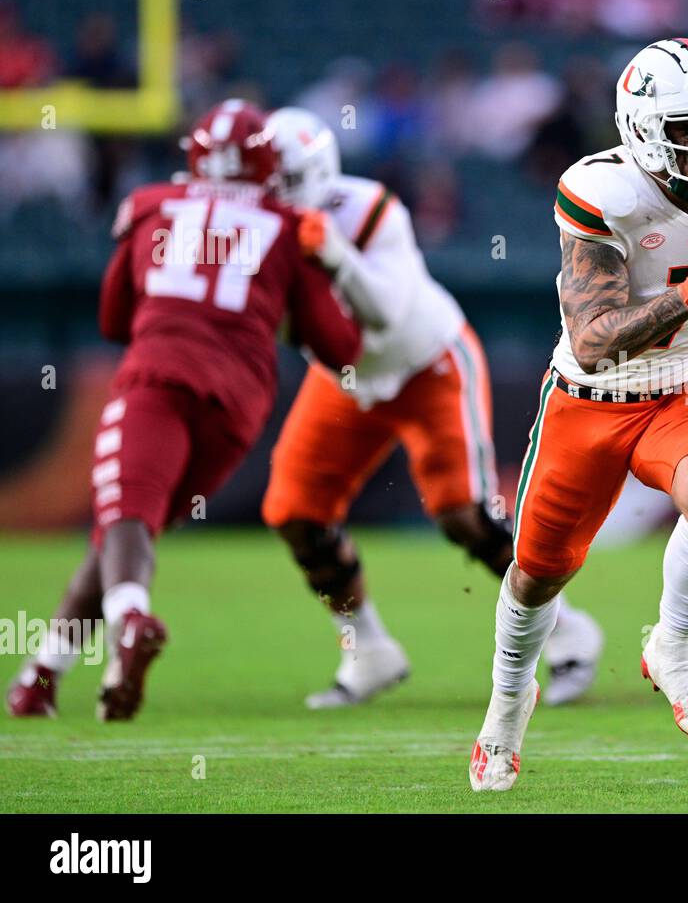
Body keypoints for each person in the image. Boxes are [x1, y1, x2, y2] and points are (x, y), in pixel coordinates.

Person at [469, 38, 688, 791]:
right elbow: (594, 342)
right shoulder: (604, 193)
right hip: (587, 401)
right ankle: (507, 706)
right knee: (536, 576)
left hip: (681, 390)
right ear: (641, 129)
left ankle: (672, 646)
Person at [7, 100, 362, 720]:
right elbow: (340, 346)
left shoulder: (152, 207)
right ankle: (41, 677)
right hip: (237, 408)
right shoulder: (285, 225)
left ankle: (129, 620)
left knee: (124, 519)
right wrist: (325, 263)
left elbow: (113, 319)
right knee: (125, 526)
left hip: (159, 377)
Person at [260, 108, 603, 709]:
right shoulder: (249, 227)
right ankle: (366, 648)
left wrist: (335, 256)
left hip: (427, 362)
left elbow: (385, 314)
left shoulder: (369, 210)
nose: (267, 194)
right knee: (295, 511)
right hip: (343, 378)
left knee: (461, 515)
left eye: (279, 178)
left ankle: (569, 629)